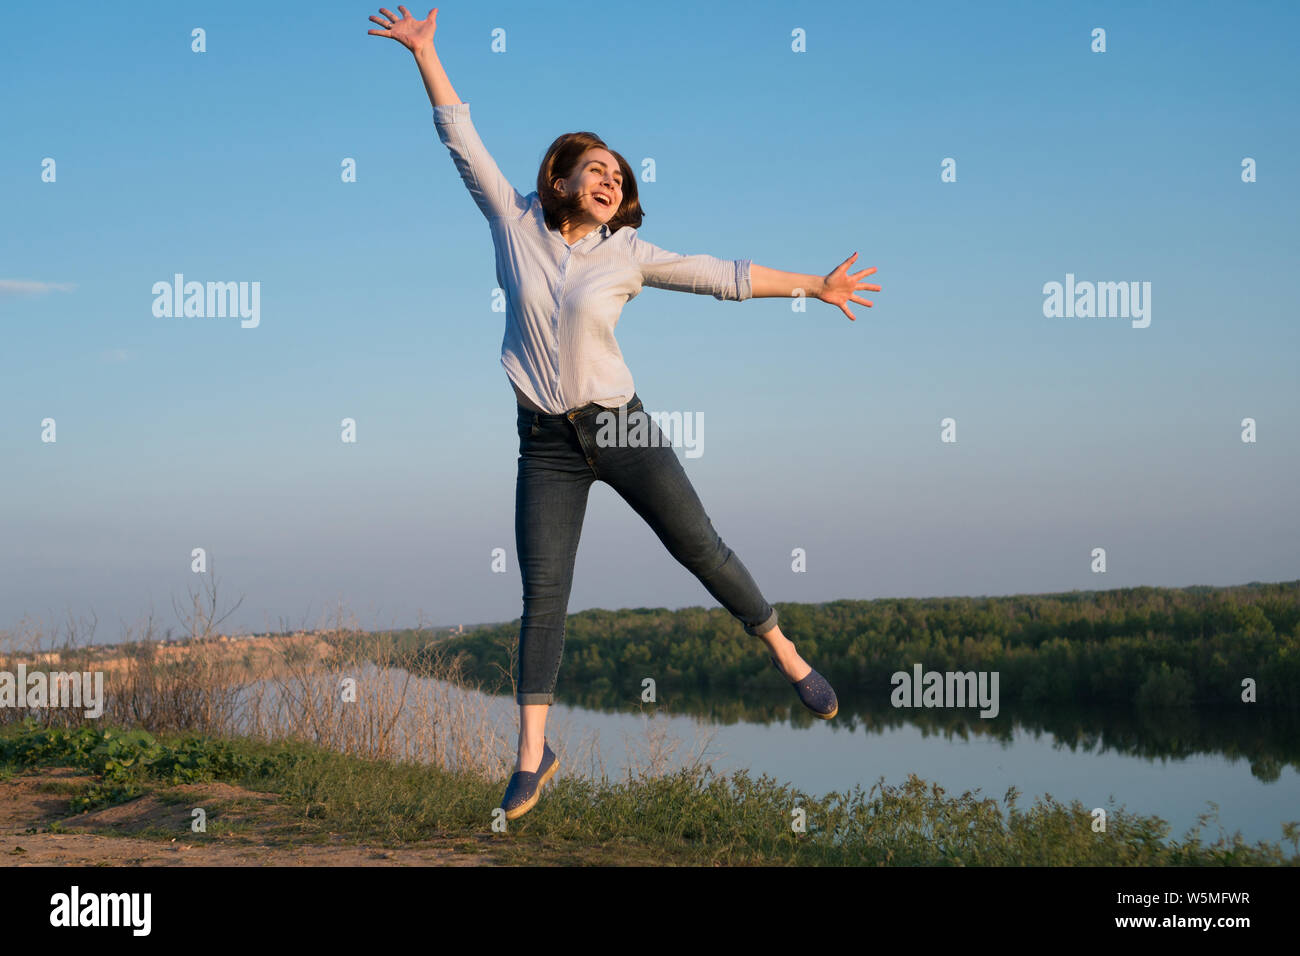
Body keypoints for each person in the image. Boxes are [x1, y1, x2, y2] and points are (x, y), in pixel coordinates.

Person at [368, 6, 882, 821]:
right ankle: (533, 757)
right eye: (597, 170)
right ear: (560, 178)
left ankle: (785, 653)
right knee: (546, 595)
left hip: (623, 427)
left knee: (701, 548)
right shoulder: (513, 222)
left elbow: (724, 274)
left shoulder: (629, 254)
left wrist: (814, 287)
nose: (611, 182)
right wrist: (426, 54)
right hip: (546, 443)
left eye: (621, 176)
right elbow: (459, 137)